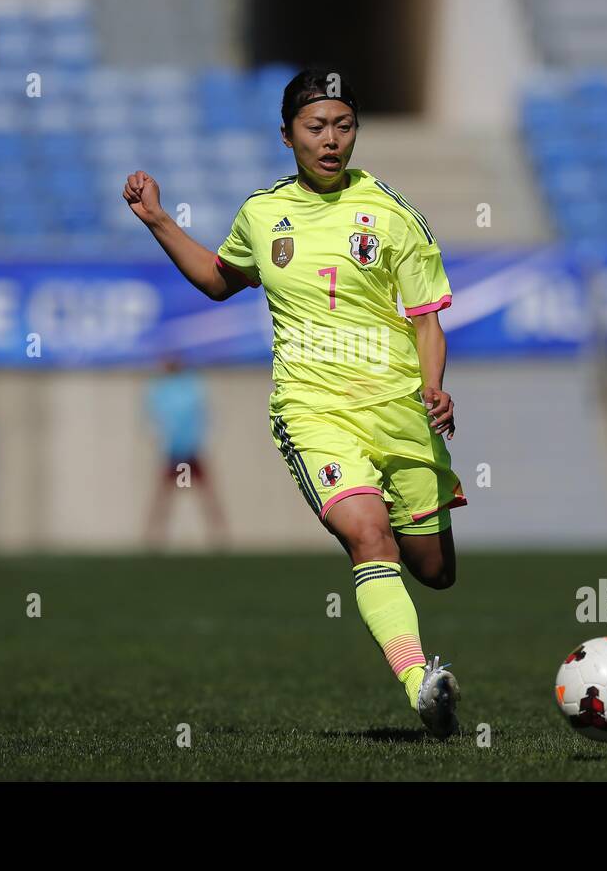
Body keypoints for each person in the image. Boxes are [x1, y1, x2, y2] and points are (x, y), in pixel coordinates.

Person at [124, 69, 467, 738]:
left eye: (344, 125)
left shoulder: (394, 215)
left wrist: (434, 386)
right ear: (287, 136)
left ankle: (391, 553)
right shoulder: (262, 215)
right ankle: (418, 683)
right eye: (317, 127)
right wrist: (160, 222)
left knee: (434, 570)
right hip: (313, 411)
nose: (332, 139)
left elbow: (427, 319)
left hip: (400, 410)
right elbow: (221, 281)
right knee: (367, 537)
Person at [143, 356, 229, 548]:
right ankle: (153, 539)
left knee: (207, 496)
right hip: (173, 451)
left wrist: (202, 440)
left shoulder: (191, 385)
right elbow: (154, 420)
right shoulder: (161, 388)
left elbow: (205, 414)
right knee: (163, 497)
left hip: (192, 450)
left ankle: (219, 538)